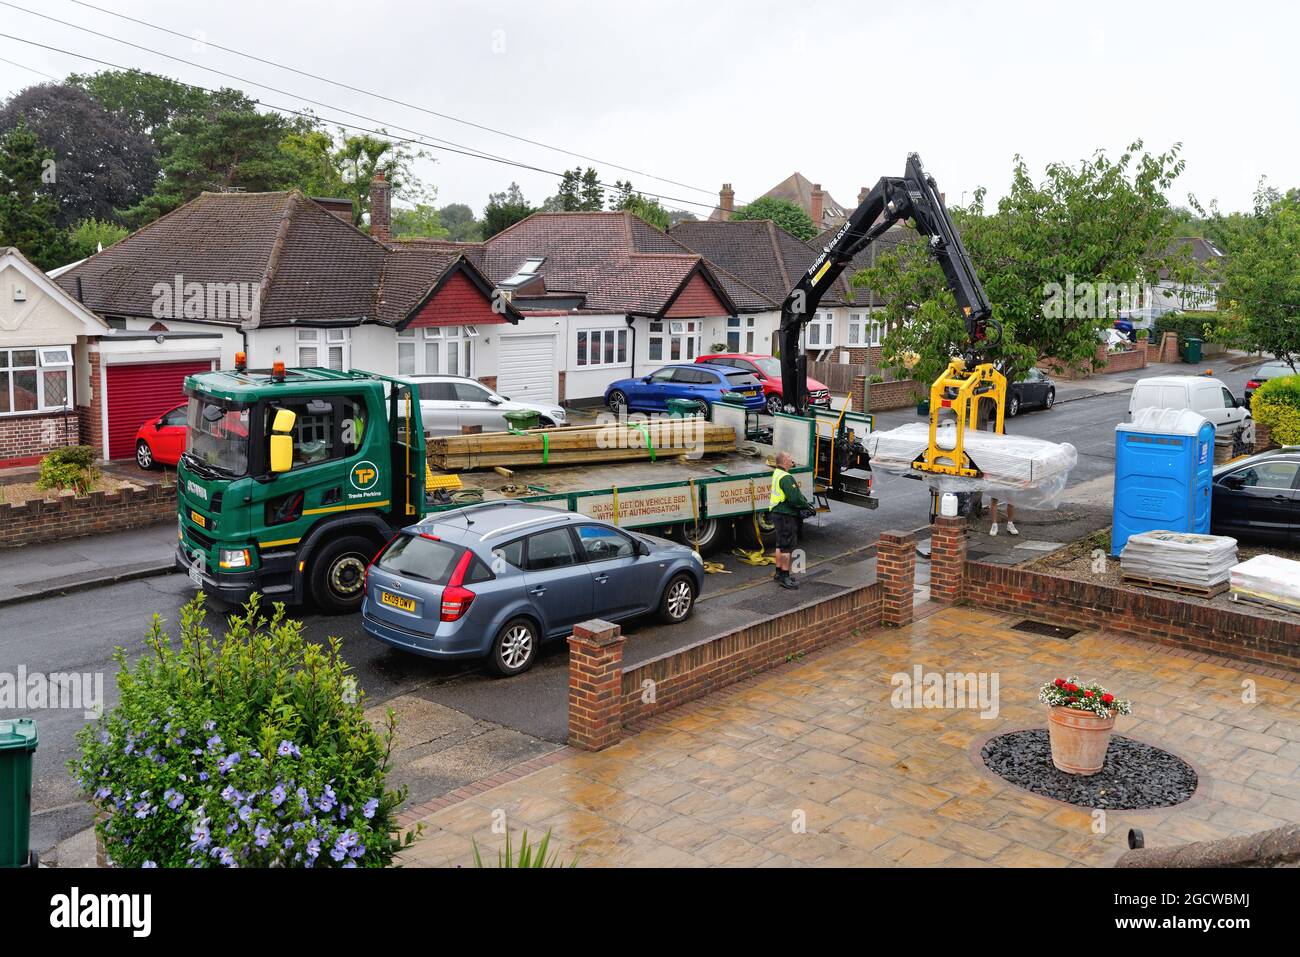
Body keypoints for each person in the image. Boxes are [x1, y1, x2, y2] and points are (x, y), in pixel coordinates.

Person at [769, 451, 812, 589]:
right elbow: (794, 499)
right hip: (785, 515)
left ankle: (778, 573)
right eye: (789, 458)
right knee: (786, 545)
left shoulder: (777, 473)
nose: (791, 459)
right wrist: (806, 506)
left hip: (777, 512)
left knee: (779, 544)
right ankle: (785, 576)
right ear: (784, 462)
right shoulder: (786, 478)